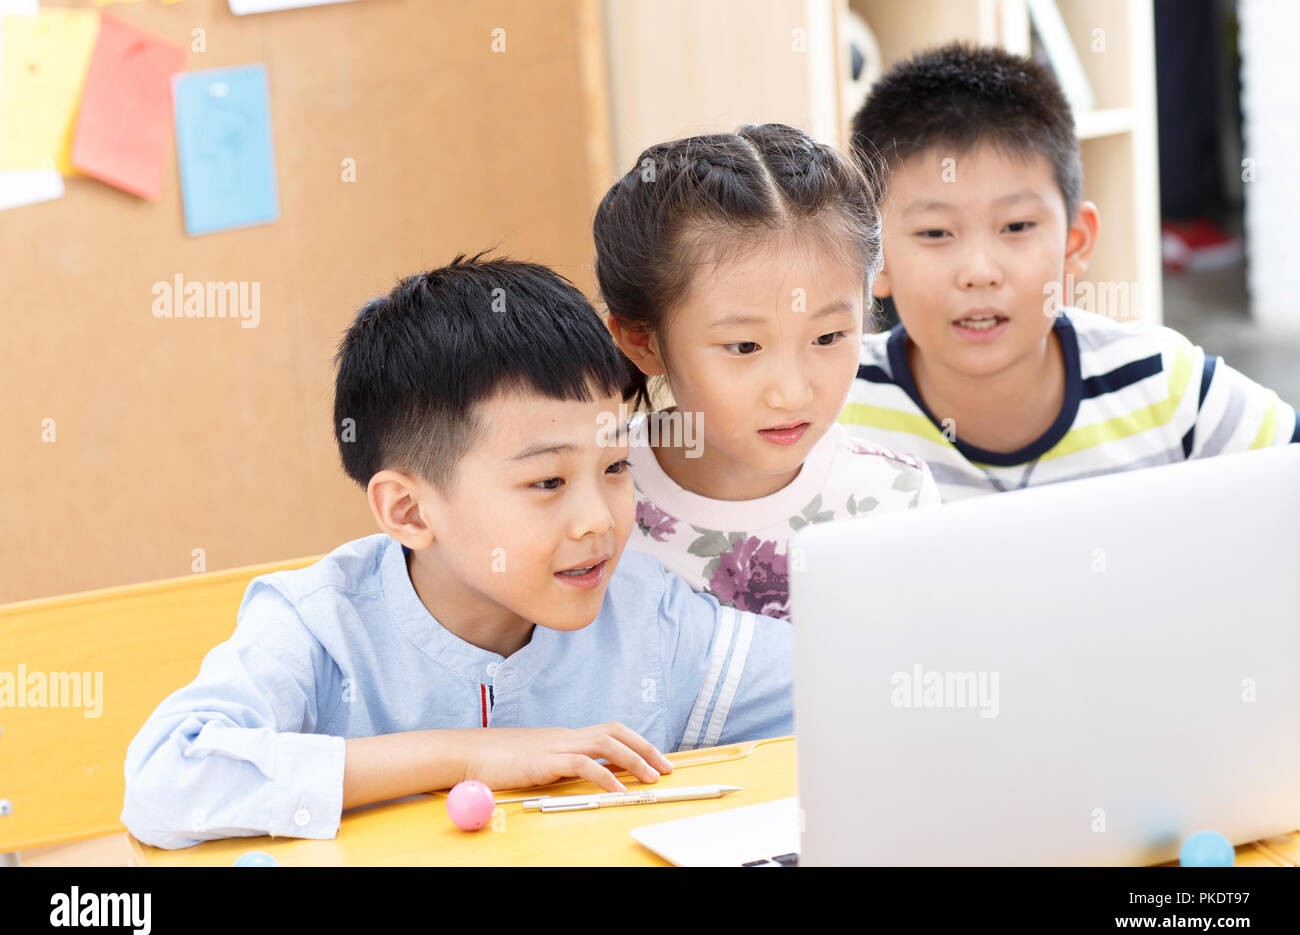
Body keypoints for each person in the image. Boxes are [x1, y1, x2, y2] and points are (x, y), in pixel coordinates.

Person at [121, 254, 793, 849]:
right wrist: (470, 755)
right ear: (410, 511)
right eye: (548, 482)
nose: (599, 520)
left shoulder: (651, 618)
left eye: (615, 467)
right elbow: (165, 780)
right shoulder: (319, 624)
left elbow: (850, 681)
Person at [840, 43, 1298, 500]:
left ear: (1074, 244)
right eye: (936, 233)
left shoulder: (1164, 386)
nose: (979, 272)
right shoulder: (836, 406)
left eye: (1016, 226)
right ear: (873, 255)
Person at [597, 122, 939, 620]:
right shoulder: (593, 501)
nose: (791, 394)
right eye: (744, 346)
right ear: (642, 341)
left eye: (827, 338)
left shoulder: (893, 497)